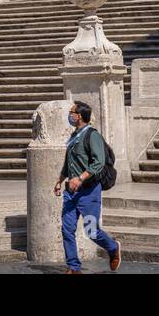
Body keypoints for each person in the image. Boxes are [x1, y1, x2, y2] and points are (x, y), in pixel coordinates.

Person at [54, 100, 121, 274]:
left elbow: (98, 162)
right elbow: (69, 162)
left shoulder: (92, 135)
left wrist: (81, 178)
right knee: (67, 229)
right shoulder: (73, 135)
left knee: (91, 231)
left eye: (72, 112)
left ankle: (113, 247)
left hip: (89, 191)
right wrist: (60, 180)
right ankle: (74, 267)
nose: (70, 115)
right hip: (71, 192)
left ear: (80, 116)